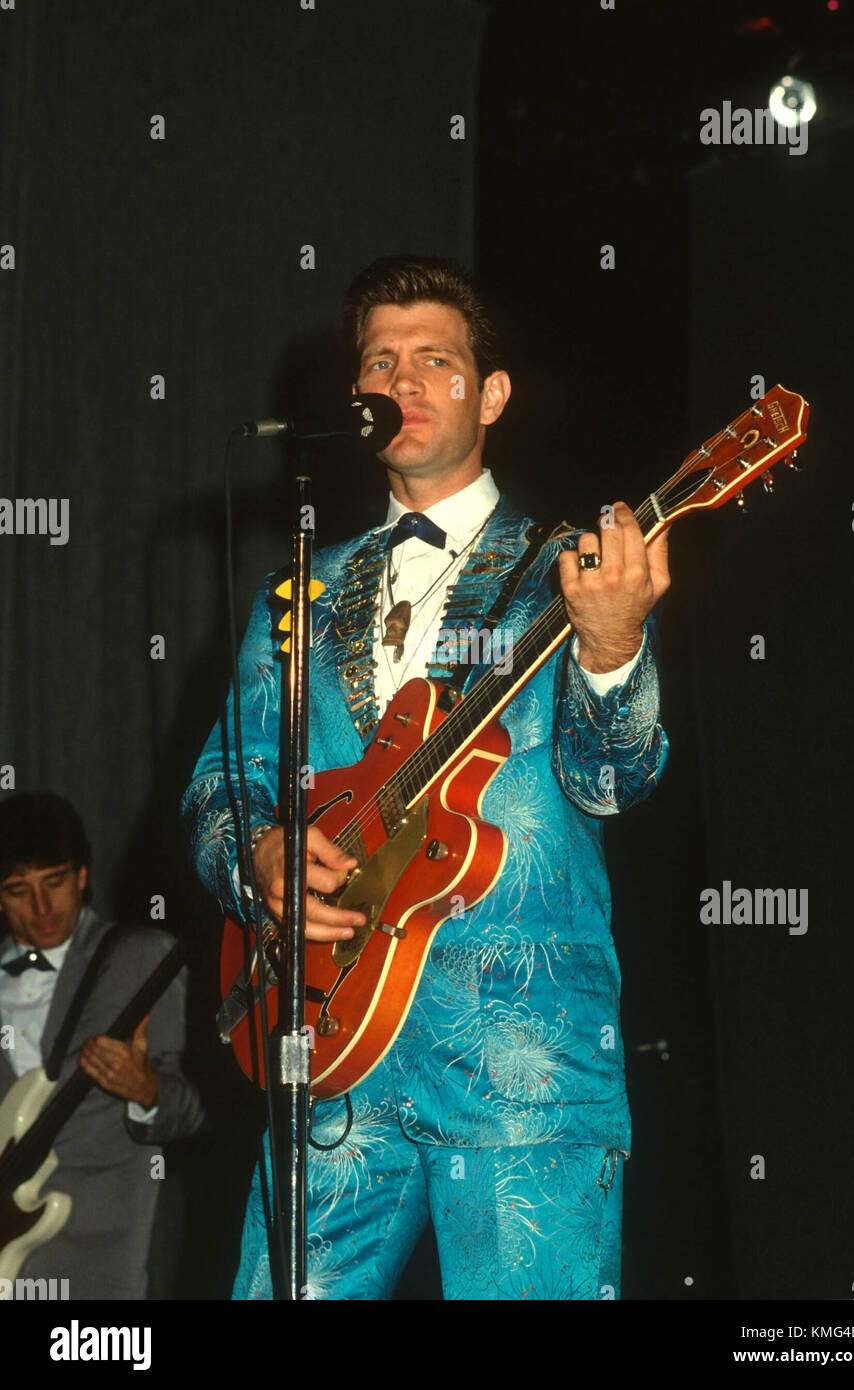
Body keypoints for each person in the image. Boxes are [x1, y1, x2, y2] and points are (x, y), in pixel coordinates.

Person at [182, 255, 670, 1300]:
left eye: (434, 360)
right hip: (329, 1045)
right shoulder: (298, 595)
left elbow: (613, 780)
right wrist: (258, 852)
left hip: (519, 1062)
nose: (400, 381)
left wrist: (615, 652)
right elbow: (220, 787)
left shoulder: (565, 570)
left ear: (491, 394)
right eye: (379, 362)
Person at [0, 791, 205, 1299]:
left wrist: (148, 1091)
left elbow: (199, 1111)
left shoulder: (141, 961)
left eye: (55, 882)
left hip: (100, 1261)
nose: (42, 907)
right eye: (18, 890)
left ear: (83, 876)